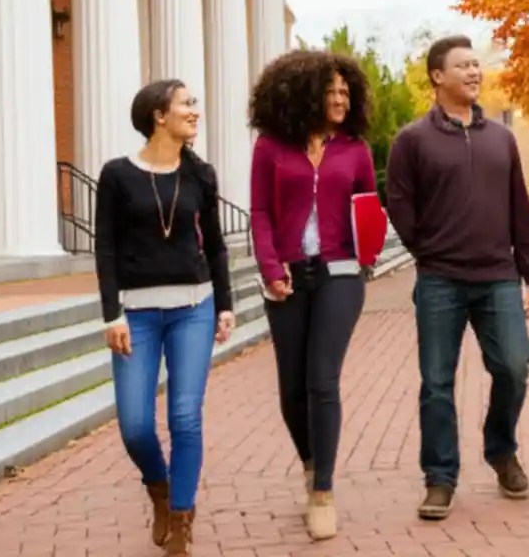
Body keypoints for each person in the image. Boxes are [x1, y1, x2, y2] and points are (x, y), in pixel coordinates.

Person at [385, 34, 529, 520]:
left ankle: (500, 449)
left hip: (498, 275)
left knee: (514, 367)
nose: (475, 72)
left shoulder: (502, 137)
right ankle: (439, 478)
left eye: (477, 65)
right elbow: (399, 205)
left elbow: (520, 208)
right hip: (440, 281)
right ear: (438, 77)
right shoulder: (412, 140)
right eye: (463, 66)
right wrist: (428, 250)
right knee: (436, 382)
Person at [96, 80, 237, 557]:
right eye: (186, 104)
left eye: (195, 103)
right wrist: (111, 314)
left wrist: (225, 304)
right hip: (135, 314)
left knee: (185, 417)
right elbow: (106, 249)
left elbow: (215, 245)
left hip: (192, 310)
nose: (195, 111)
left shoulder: (200, 175)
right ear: (159, 114)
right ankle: (159, 488)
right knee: (135, 424)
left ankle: (180, 520)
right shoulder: (116, 175)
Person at [248, 49, 378, 541]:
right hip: (285, 274)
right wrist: (269, 265)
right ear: (303, 93)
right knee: (291, 390)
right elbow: (259, 211)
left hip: (340, 273)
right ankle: (310, 461)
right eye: (331, 90)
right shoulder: (271, 148)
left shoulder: (356, 150)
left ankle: (322, 491)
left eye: (346, 91)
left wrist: (365, 256)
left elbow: (367, 207)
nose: (341, 98)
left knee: (322, 379)